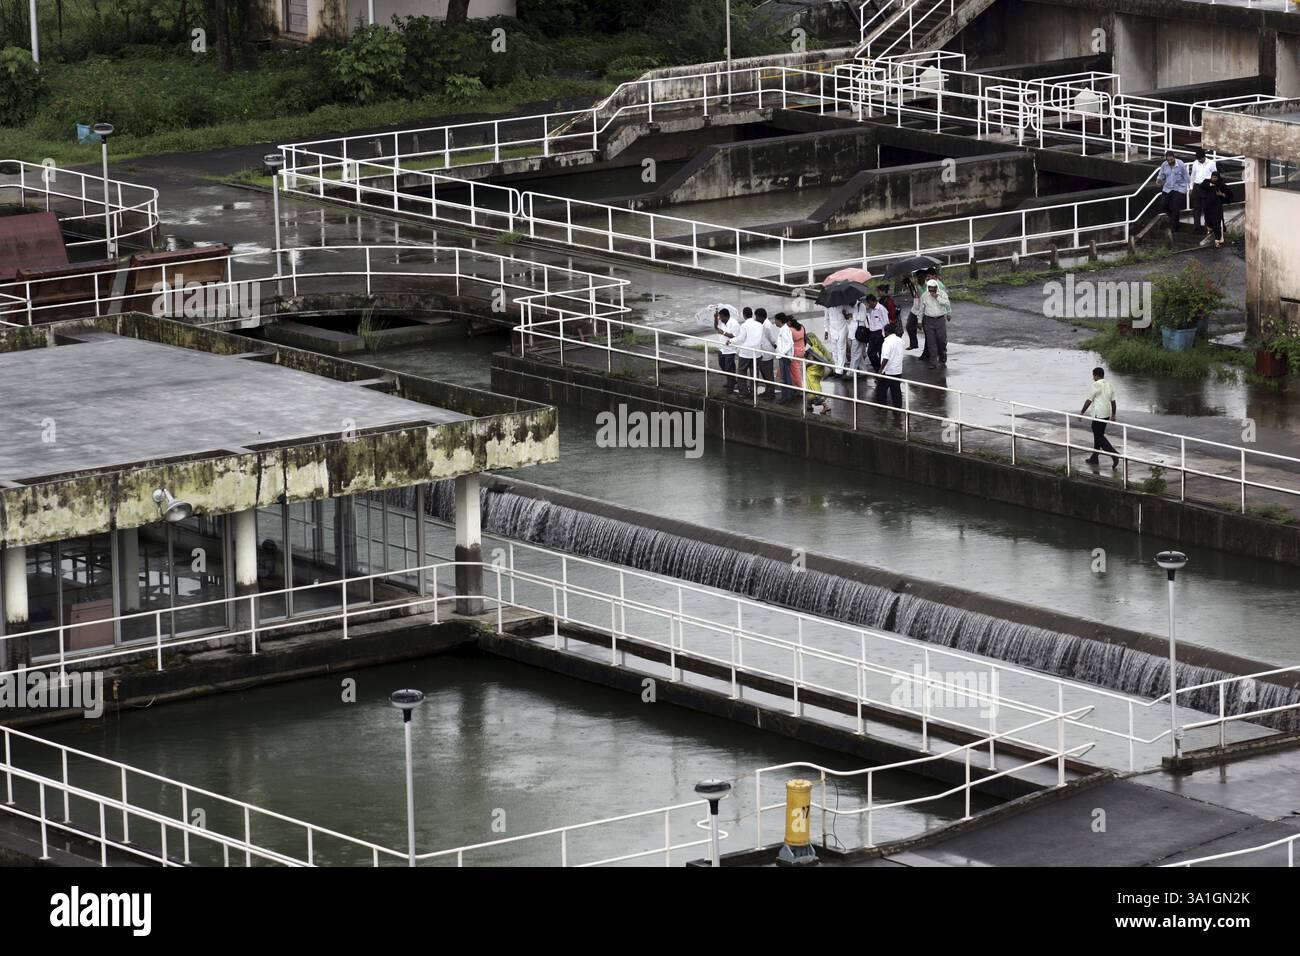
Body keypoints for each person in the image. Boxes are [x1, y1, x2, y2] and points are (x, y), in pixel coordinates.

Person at [1080, 366, 1119, 468]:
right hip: (1106, 414)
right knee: (1098, 435)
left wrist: (1082, 412)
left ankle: (1114, 455)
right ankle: (1094, 458)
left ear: (1096, 375)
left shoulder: (1096, 385)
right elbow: (1113, 401)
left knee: (1099, 437)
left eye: (1093, 375)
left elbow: (1089, 400)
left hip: (1098, 414)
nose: (1093, 377)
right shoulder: (1109, 384)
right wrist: (1113, 415)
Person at [919, 278, 951, 369]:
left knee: (942, 340)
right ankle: (933, 362)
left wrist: (937, 297)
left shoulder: (942, 294)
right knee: (931, 342)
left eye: (933, 288)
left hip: (940, 320)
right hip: (929, 320)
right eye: (930, 288)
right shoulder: (924, 296)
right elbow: (921, 309)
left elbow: (947, 304)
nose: (931, 290)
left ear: (936, 287)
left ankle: (943, 354)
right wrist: (919, 321)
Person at [733, 308, 765, 397]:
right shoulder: (760, 325)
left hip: (745, 353)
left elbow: (741, 338)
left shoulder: (744, 325)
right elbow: (762, 339)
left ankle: (743, 392)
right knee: (754, 373)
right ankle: (753, 391)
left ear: (744, 315)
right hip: (757, 353)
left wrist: (731, 341)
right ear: (752, 314)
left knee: (742, 372)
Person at [1156, 151, 1190, 234]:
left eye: (1171, 160)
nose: (1170, 162)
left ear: (1174, 157)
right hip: (1167, 188)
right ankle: (1174, 220)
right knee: (1163, 204)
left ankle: (1173, 227)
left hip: (1179, 188)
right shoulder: (1164, 164)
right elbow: (1161, 175)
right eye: (1169, 160)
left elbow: (1186, 176)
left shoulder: (1180, 164)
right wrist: (1158, 180)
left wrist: (1189, 187)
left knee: (1175, 207)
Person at [804, 327, 834, 414]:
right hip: (819, 372)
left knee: (815, 390)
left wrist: (806, 365)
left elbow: (811, 361)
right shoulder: (820, 348)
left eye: (807, 340)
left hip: (813, 373)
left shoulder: (813, 350)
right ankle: (809, 405)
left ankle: (826, 406)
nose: (807, 342)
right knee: (811, 390)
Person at [876, 321, 905, 409]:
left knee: (881, 390)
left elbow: (886, 357)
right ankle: (897, 408)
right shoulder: (901, 341)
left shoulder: (887, 342)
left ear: (887, 332)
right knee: (896, 391)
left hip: (888, 371)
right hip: (897, 370)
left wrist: (880, 370)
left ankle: (882, 408)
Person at [1201, 171, 1233, 248]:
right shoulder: (1207, 182)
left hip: (1217, 207)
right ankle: (1210, 231)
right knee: (1208, 221)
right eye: (1213, 177)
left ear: (1218, 178)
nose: (1214, 179)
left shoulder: (1221, 185)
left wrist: (1221, 194)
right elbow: (1202, 185)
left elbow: (1230, 195)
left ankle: (1218, 240)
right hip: (1208, 207)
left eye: (1215, 177)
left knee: (1217, 224)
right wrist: (1210, 184)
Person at [1189, 148, 1217, 232]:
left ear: (1204, 157)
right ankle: (1196, 227)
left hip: (1207, 187)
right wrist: (1191, 187)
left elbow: (1215, 175)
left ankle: (1207, 226)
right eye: (1198, 159)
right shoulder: (1195, 163)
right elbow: (1193, 176)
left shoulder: (1211, 163)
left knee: (1206, 208)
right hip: (1197, 186)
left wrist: (1214, 187)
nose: (1199, 161)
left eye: (1200, 159)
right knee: (1196, 208)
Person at [713, 306, 739, 393]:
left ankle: (730, 386)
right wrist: (715, 318)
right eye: (719, 317)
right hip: (721, 348)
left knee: (728, 367)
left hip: (730, 349)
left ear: (726, 316)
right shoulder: (721, 321)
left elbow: (735, 336)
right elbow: (716, 327)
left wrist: (723, 333)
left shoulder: (734, 323)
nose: (720, 319)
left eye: (721, 317)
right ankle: (732, 380)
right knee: (722, 365)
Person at [864, 293, 890, 372]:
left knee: (881, 353)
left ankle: (882, 371)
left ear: (873, 301)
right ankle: (878, 369)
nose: (868, 304)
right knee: (870, 353)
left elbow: (886, 322)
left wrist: (885, 335)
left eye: (869, 303)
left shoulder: (881, 309)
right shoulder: (871, 310)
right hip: (872, 333)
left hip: (879, 333)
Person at [774, 313, 796, 403]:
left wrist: (782, 353)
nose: (774, 322)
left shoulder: (784, 330)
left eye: (775, 320)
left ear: (779, 321)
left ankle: (786, 397)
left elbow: (790, 343)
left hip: (784, 357)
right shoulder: (784, 329)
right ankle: (788, 396)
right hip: (784, 356)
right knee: (786, 377)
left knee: (785, 378)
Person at [824, 303, 850, 376]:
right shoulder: (828, 307)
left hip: (842, 329)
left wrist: (845, 314)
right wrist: (826, 330)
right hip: (832, 330)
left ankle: (840, 370)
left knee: (841, 349)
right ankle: (837, 368)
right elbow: (826, 319)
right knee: (834, 350)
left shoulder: (844, 305)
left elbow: (848, 317)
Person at [756, 307, 777, 397]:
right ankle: (768, 391)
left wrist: (775, 347)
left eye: (756, 317)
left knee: (768, 373)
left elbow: (772, 339)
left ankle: (770, 392)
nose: (756, 319)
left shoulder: (767, 325)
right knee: (764, 372)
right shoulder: (763, 324)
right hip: (763, 351)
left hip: (767, 352)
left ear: (761, 317)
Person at [849, 295, 870, 372]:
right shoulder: (849, 306)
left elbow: (862, 318)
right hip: (851, 334)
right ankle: (864, 370)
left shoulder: (861, 306)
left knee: (854, 353)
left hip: (858, 333)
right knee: (858, 354)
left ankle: (850, 372)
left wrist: (852, 316)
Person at [902, 273, 923, 352]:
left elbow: (921, 297)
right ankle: (913, 344)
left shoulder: (924, 287)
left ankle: (929, 349)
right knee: (909, 326)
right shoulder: (915, 286)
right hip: (914, 310)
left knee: (928, 331)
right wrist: (909, 284)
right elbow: (914, 295)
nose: (916, 280)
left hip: (922, 310)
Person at [788, 316, 807, 391]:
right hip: (801, 350)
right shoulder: (802, 327)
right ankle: (796, 385)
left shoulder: (790, 330)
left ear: (789, 322)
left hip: (794, 352)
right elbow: (805, 338)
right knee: (797, 368)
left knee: (795, 370)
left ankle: (799, 387)